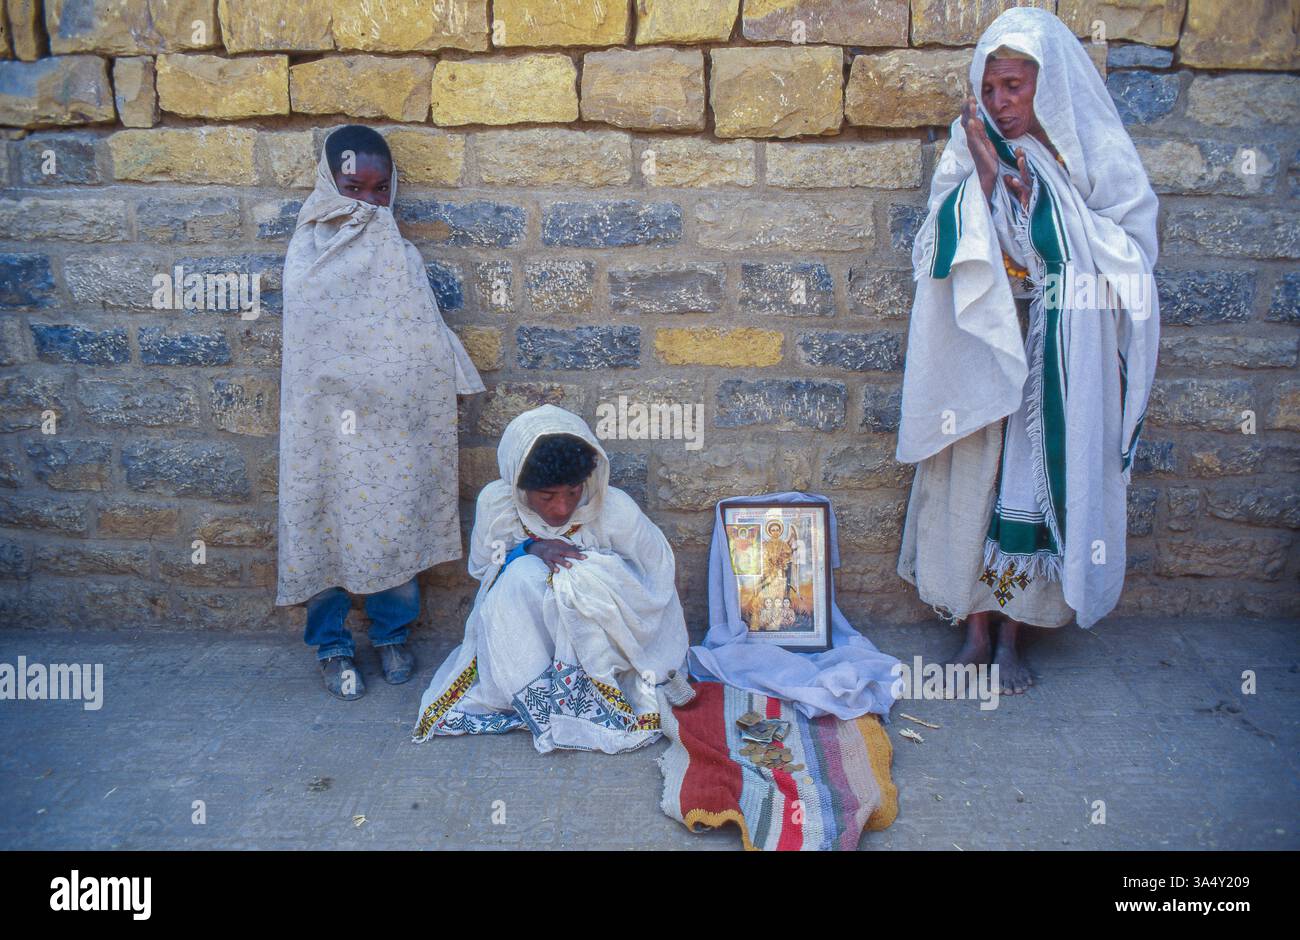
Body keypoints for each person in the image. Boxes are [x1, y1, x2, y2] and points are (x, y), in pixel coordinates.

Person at [896, 8, 1160, 694]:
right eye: (988, 89)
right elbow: (935, 247)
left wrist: (1045, 202)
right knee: (975, 482)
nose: (1000, 103)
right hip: (985, 343)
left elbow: (1131, 251)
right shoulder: (971, 141)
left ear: (1048, 84)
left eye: (1013, 86)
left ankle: (1015, 632)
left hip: (1061, 355)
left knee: (1030, 488)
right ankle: (973, 626)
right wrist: (984, 178)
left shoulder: (1093, 153)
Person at [276, 125, 486, 700]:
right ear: (328, 182)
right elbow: (311, 346)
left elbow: (419, 335)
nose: (366, 203)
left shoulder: (400, 254)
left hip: (393, 422)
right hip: (323, 425)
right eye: (352, 188)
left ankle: (392, 634)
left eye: (377, 190)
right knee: (323, 518)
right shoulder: (307, 253)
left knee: (394, 513)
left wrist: (428, 379)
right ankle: (333, 645)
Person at [412, 404, 689, 754]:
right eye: (547, 497)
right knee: (522, 576)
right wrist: (528, 548)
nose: (561, 508)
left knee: (576, 576)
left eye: (572, 493)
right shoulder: (498, 506)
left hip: (608, 637)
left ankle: (589, 691)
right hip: (530, 630)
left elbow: (655, 576)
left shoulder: (613, 508)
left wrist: (591, 574)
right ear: (520, 486)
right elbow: (485, 571)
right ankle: (537, 692)